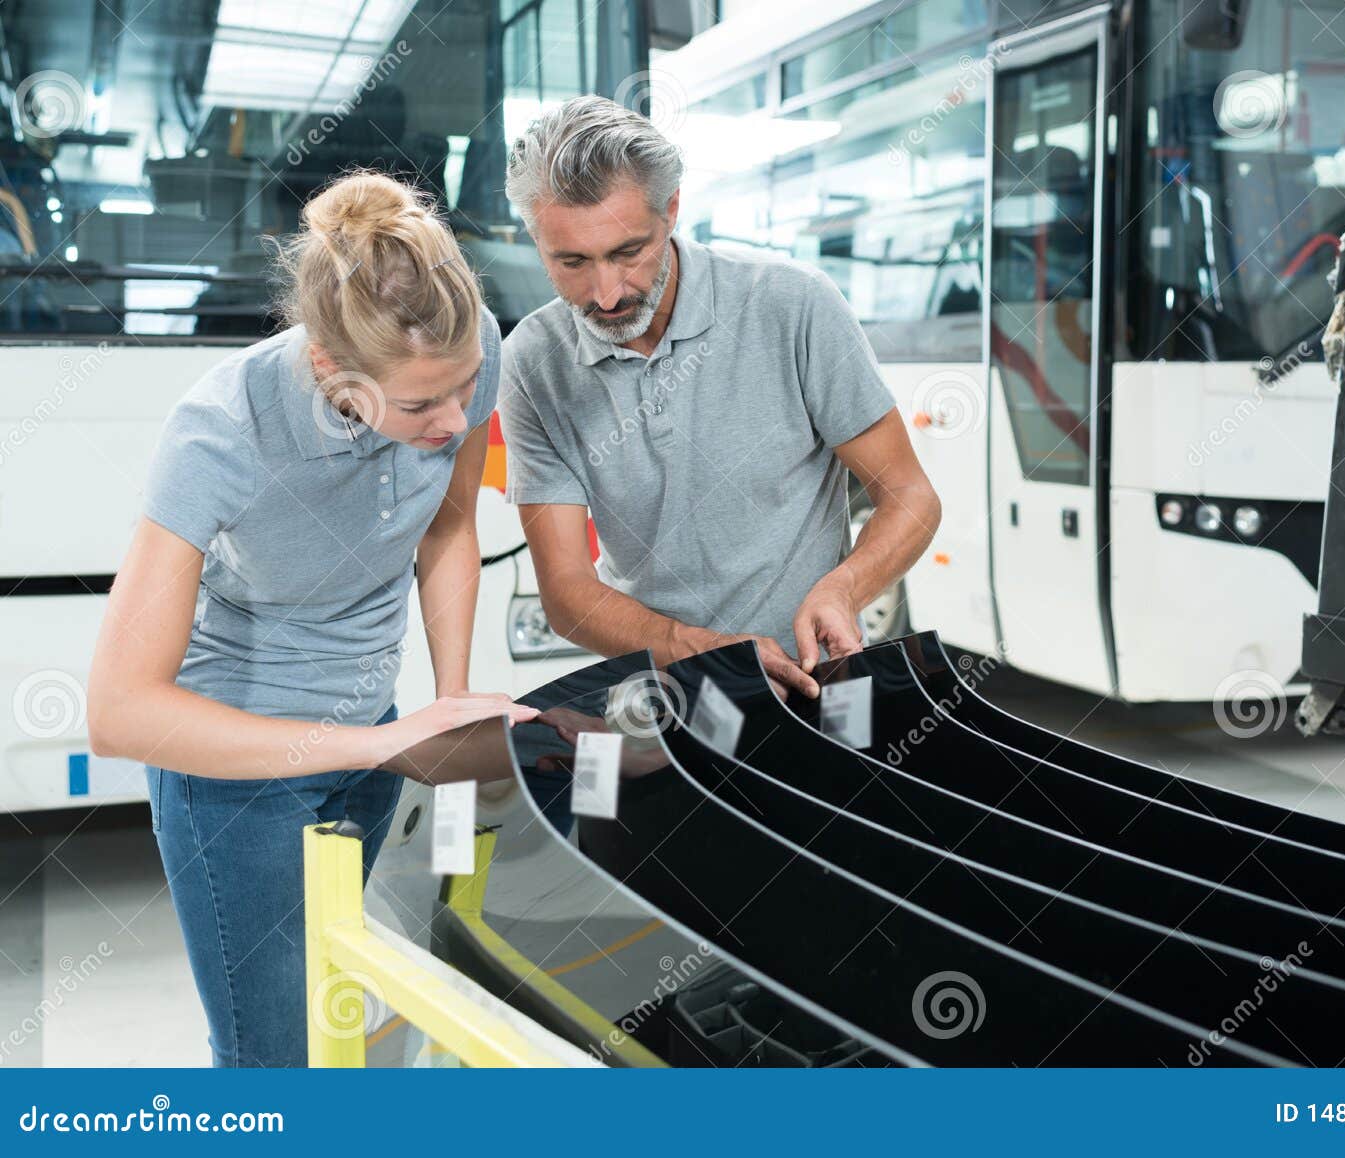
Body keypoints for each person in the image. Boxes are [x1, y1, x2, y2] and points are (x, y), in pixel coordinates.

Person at [86, 171, 537, 1067]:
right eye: (416, 406)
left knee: (337, 1017)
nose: (453, 422)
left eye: (465, 390)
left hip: (373, 745)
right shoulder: (219, 430)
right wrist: (383, 745)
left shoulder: (465, 346)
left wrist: (444, 719)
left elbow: (449, 525)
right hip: (237, 778)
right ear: (332, 369)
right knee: (273, 1059)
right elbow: (118, 712)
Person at [498, 96, 941, 697]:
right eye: (571, 261)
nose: (605, 294)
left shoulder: (793, 304)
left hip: (816, 681)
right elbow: (568, 595)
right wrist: (701, 652)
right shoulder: (532, 361)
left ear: (673, 209)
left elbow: (910, 497)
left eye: (629, 252)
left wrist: (844, 589)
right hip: (657, 693)